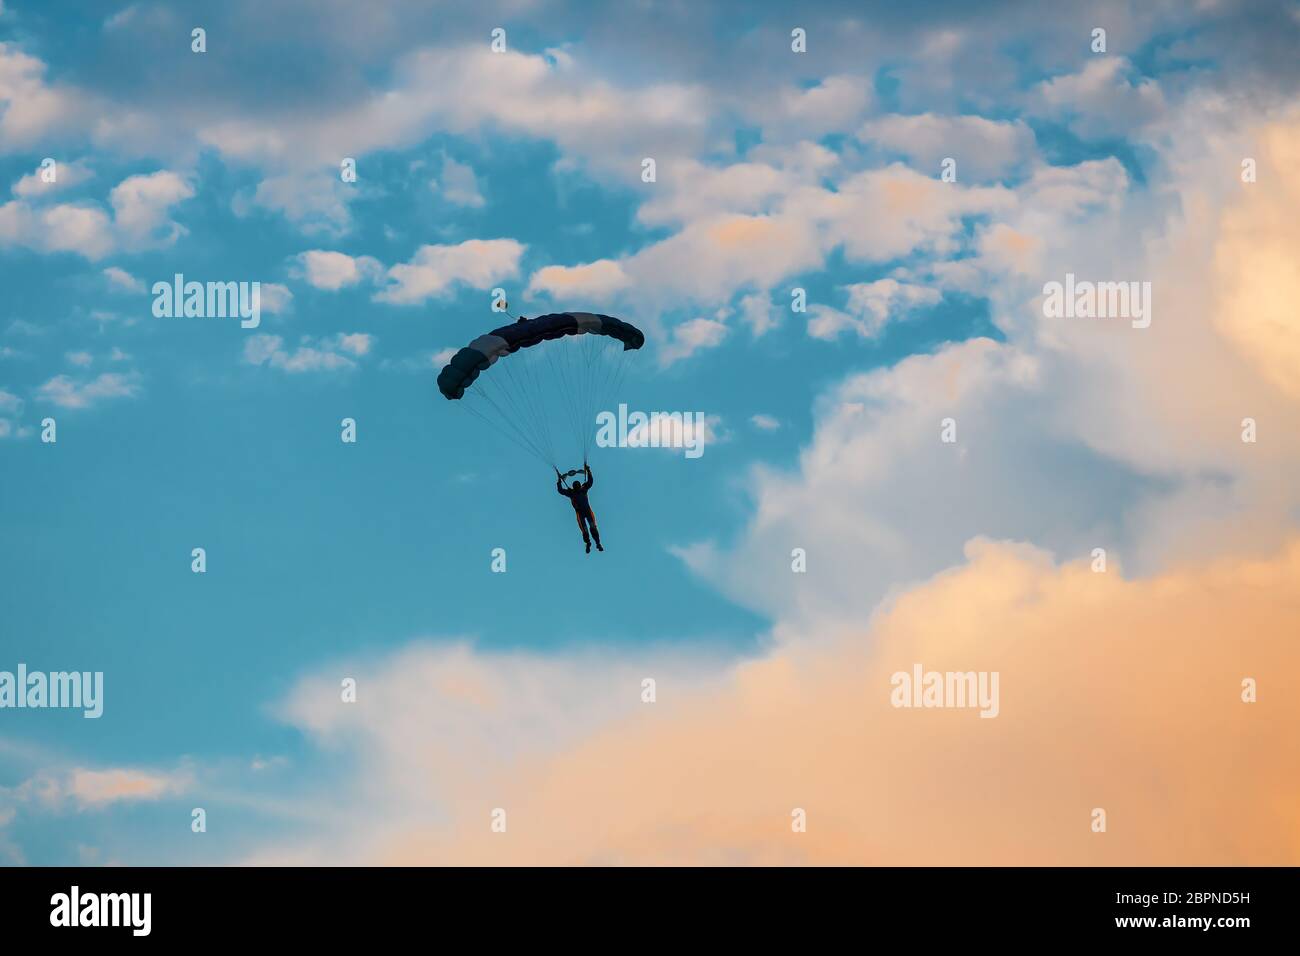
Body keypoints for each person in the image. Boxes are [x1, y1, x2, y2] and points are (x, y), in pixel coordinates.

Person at [556, 462, 603, 553]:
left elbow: (590, 481)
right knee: (586, 530)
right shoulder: (573, 492)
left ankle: (597, 543)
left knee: (592, 528)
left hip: (586, 512)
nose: (577, 487)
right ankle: (589, 543)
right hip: (581, 513)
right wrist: (559, 481)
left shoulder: (581, 489)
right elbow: (561, 490)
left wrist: (588, 471)